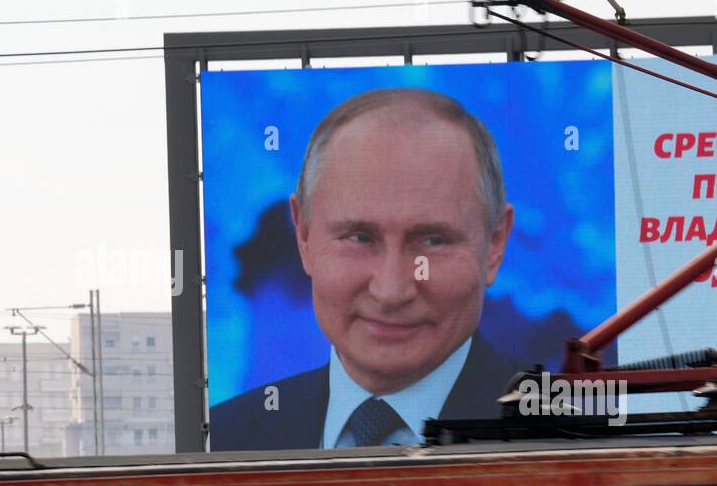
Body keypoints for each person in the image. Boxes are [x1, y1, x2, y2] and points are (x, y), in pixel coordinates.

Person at [210, 87, 524, 450]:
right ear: (304, 237)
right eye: (358, 237)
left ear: (496, 244)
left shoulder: (575, 438)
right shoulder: (224, 440)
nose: (391, 291)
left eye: (433, 240)